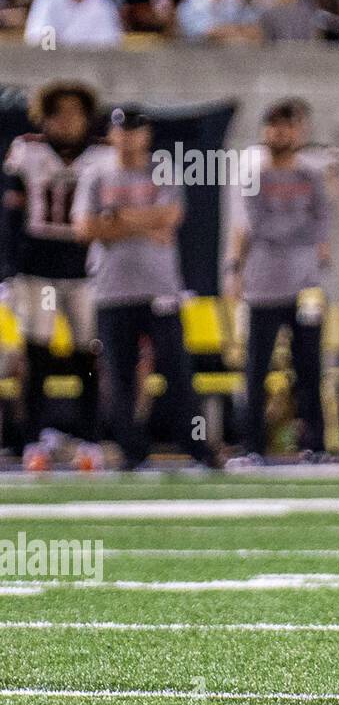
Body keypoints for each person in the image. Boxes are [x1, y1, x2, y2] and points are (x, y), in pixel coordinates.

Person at [71, 105, 213, 470]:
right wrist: (145, 223)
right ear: (112, 133)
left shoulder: (162, 169)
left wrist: (115, 218)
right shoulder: (96, 172)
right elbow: (85, 228)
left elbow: (170, 218)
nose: (130, 137)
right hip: (111, 288)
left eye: (136, 130)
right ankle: (131, 451)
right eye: (123, 130)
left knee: (176, 370)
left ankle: (198, 448)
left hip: (160, 288)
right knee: (118, 376)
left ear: (146, 134)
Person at [0, 81, 112, 471]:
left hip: (87, 266)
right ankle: (32, 440)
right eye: (58, 113)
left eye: (74, 113)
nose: (66, 121)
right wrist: (9, 270)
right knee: (37, 355)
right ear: (44, 116)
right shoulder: (27, 148)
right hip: (37, 264)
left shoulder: (103, 154)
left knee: (88, 356)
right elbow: (12, 216)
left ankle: (90, 439)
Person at [224, 100, 333, 466]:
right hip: (263, 285)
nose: (281, 134)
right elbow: (258, 225)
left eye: (288, 126)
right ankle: (252, 446)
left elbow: (321, 225)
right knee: (256, 370)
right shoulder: (255, 175)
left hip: (305, 287)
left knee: (309, 369)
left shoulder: (311, 176)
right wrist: (235, 269)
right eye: (274, 126)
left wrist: (294, 233)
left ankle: (314, 445)